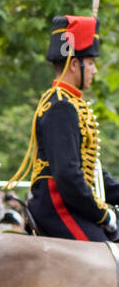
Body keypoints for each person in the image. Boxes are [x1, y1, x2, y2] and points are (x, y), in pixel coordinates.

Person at [11, 13, 119, 241]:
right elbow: (68, 176)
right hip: (58, 205)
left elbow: (89, 173)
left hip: (69, 201)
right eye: (90, 63)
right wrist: (102, 215)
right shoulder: (61, 106)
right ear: (73, 64)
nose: (94, 70)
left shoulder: (70, 103)